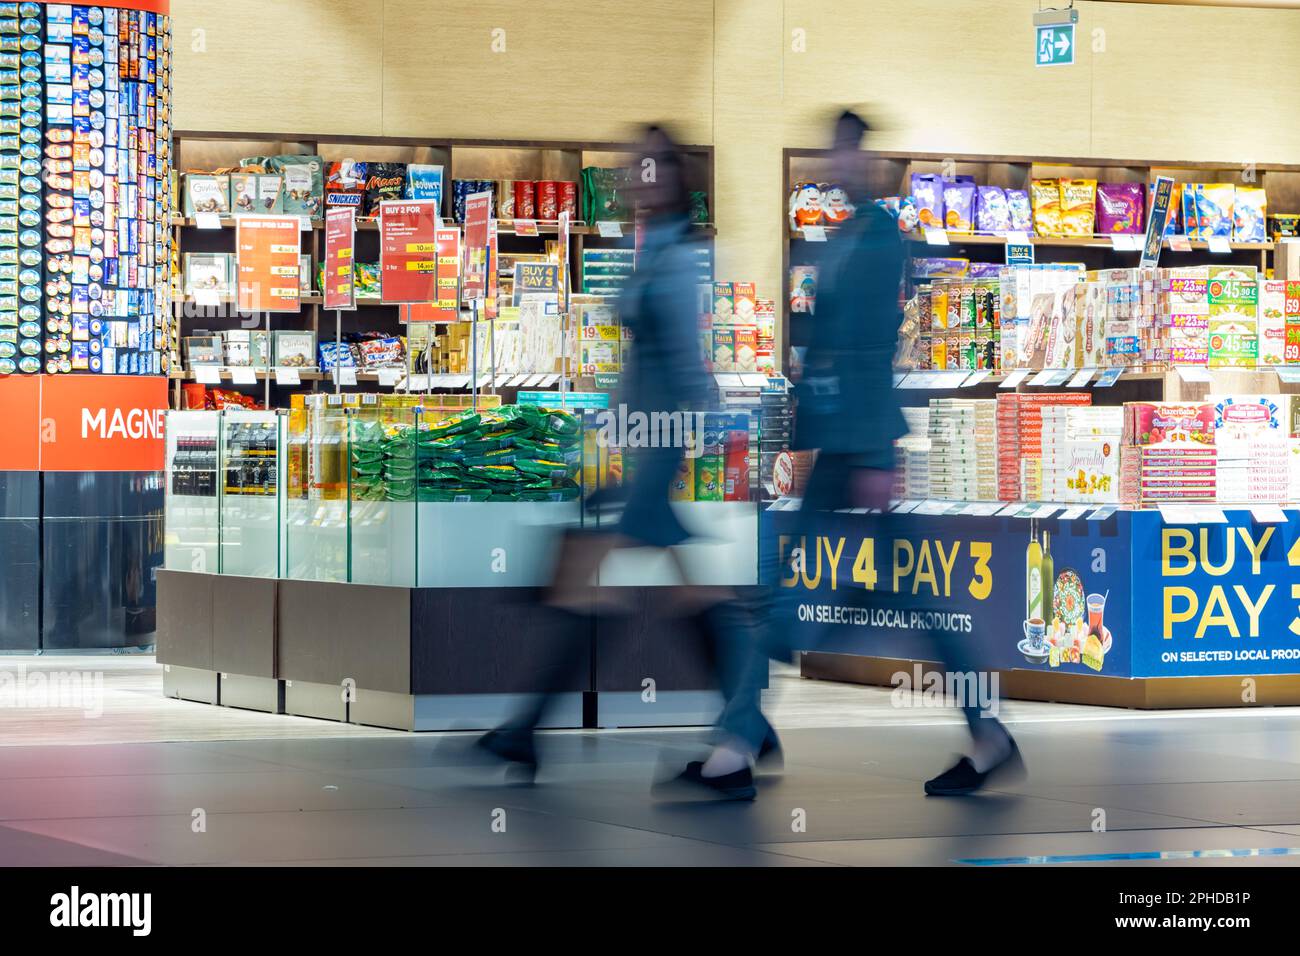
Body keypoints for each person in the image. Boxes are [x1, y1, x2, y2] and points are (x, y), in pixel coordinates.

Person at [660, 109, 1023, 801]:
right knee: (888, 597)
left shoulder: (881, 238)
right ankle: (986, 733)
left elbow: (870, 350)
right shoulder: (846, 237)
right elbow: (828, 352)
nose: (838, 166)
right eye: (833, 155)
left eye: (848, 154)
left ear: (868, 163)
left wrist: (876, 452)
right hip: (839, 445)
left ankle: (738, 746)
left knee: (794, 592)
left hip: (862, 446)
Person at [474, 125, 775, 778]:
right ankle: (747, 721)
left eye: (653, 167)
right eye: (635, 167)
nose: (640, 177)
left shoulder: (675, 256)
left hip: (658, 441)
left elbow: (683, 358)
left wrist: (697, 427)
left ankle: (524, 730)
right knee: (688, 590)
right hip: (644, 438)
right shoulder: (652, 248)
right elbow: (646, 359)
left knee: (589, 579)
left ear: (673, 179)